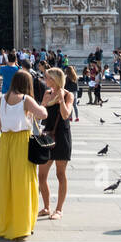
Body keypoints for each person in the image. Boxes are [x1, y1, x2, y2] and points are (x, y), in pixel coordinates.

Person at [0, 68, 48, 240]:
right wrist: (44, 102)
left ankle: (4, 223)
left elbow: (0, 126)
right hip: (22, 143)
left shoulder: (0, 100)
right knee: (22, 183)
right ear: (27, 84)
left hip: (6, 143)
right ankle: (20, 225)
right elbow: (43, 114)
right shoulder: (26, 99)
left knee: (6, 183)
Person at [38, 67, 73, 220]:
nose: (45, 80)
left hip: (62, 136)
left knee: (60, 173)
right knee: (42, 175)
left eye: (48, 78)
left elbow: (66, 115)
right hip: (48, 135)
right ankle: (46, 206)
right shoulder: (47, 93)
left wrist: (61, 102)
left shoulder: (68, 95)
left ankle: (59, 209)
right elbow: (38, 115)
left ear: (55, 80)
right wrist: (43, 104)